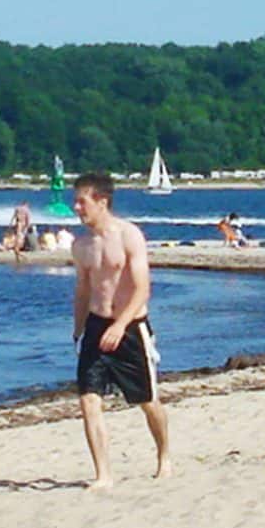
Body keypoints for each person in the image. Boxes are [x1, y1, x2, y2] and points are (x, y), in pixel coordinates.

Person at [69, 172, 171, 488]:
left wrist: (121, 325)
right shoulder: (81, 245)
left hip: (131, 327)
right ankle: (104, 474)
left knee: (146, 400)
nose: (76, 208)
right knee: (89, 399)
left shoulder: (129, 235)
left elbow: (142, 289)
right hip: (96, 327)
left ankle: (164, 455)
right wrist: (78, 330)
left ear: (102, 201)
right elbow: (84, 290)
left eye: (82, 201)